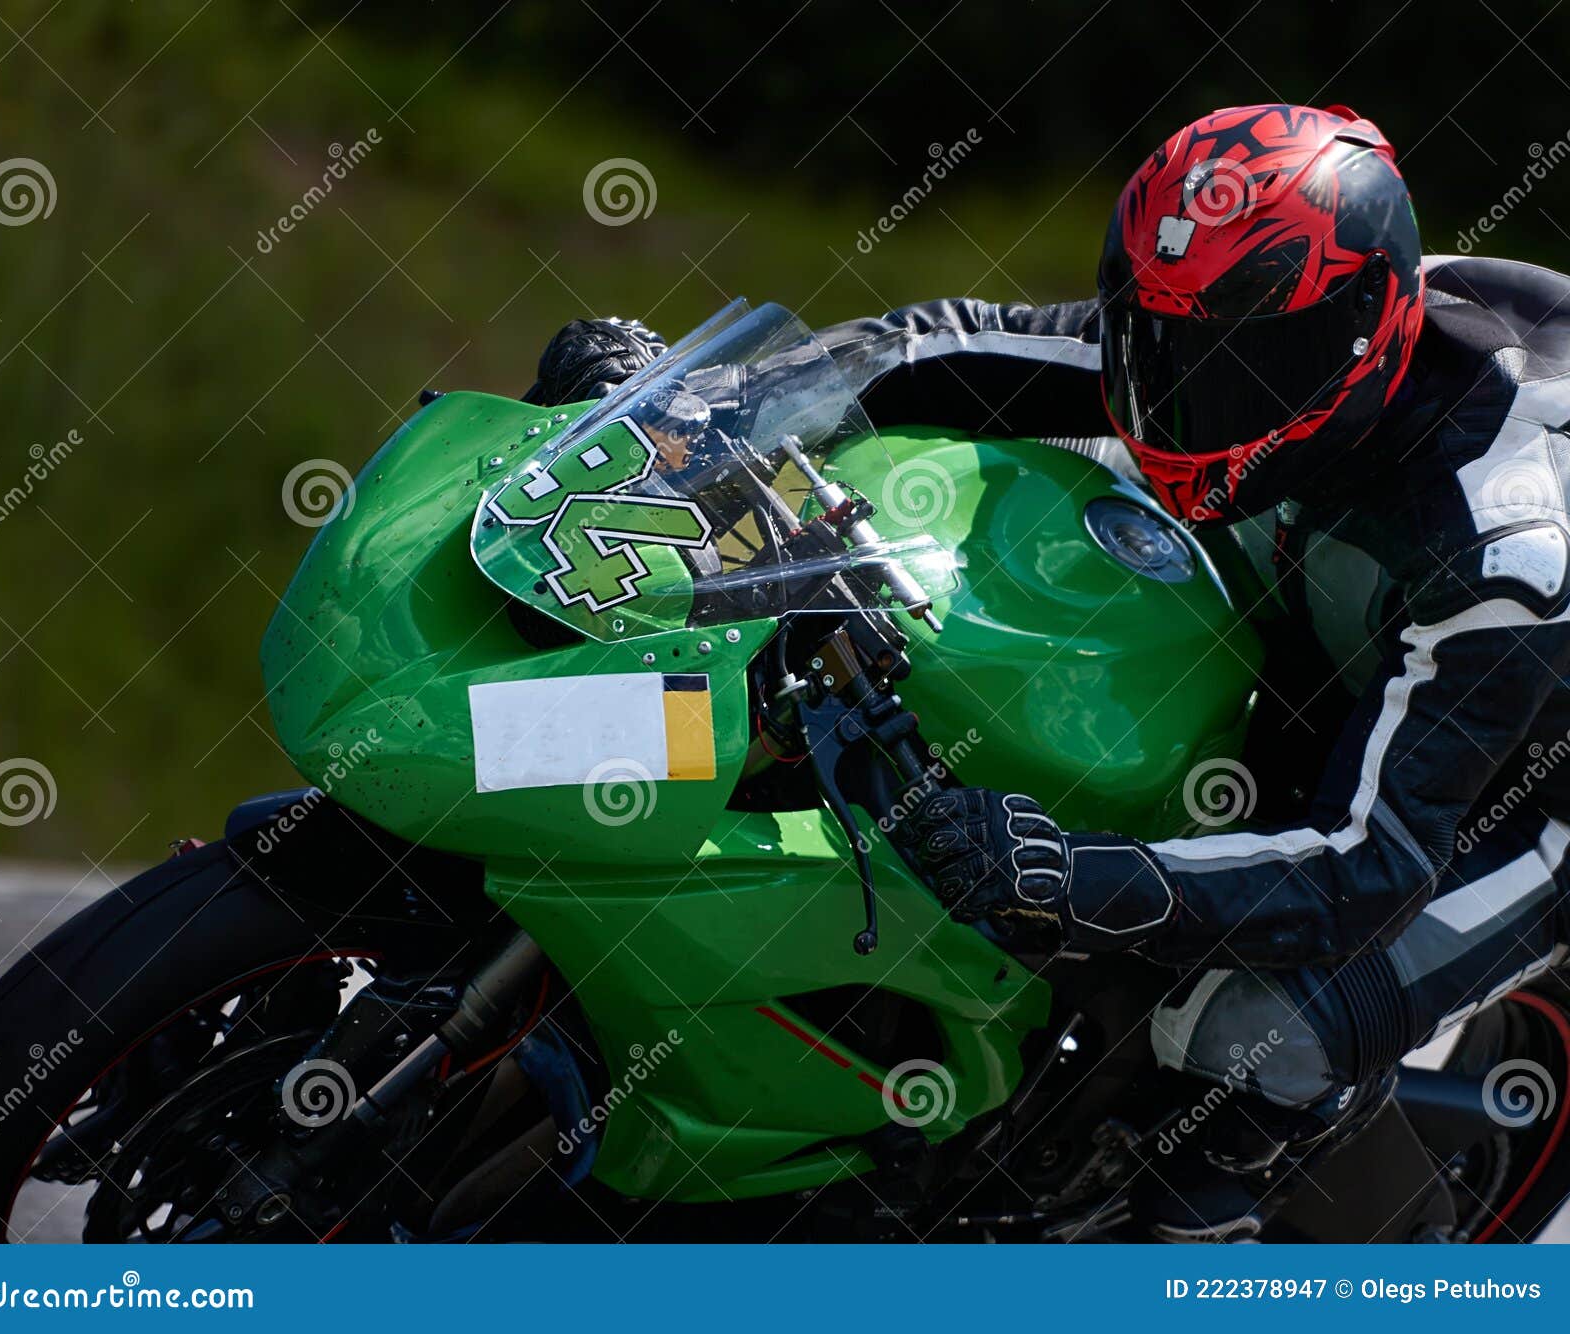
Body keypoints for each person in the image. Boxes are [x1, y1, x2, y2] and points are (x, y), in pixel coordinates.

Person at [523, 104, 1570, 1218]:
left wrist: (1064, 875)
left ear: (1363, 331)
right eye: (1154, 342)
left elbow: (1365, 863)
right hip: (1344, 641)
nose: (1176, 397)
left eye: (1229, 371)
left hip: (1519, 796)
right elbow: (942, 347)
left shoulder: (1501, 540)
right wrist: (694, 411)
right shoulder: (1239, 305)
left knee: (1248, 1036)